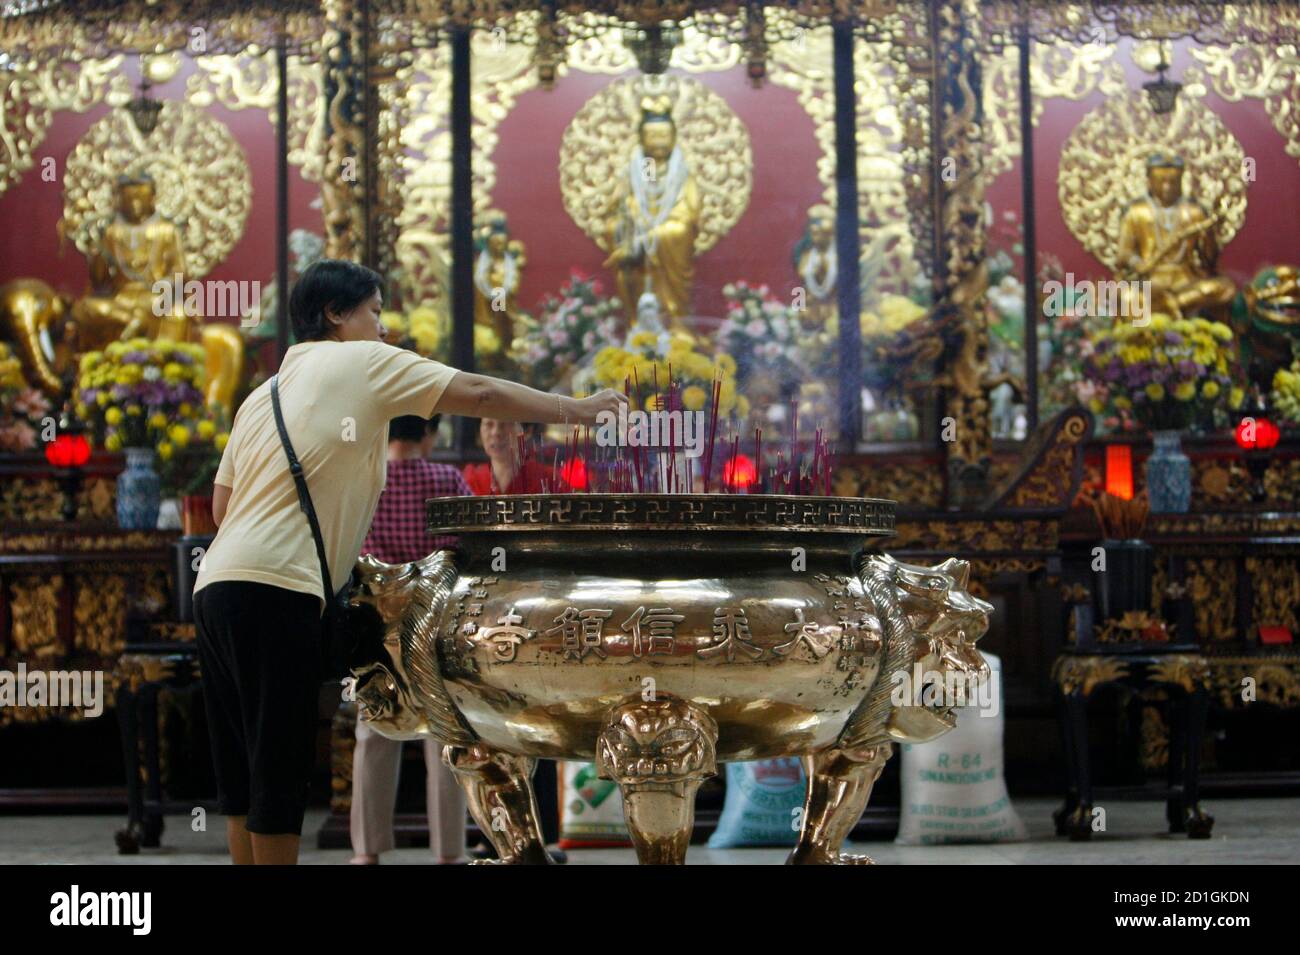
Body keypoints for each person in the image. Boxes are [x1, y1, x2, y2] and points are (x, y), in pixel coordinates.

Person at [192, 259, 626, 865]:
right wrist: (576, 411)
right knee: (281, 763)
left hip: (215, 588)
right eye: (374, 311)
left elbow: (221, 507)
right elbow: (477, 392)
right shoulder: (360, 361)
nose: (383, 327)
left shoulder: (260, 393)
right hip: (278, 590)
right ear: (335, 315)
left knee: (242, 766)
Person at [350, 414, 471, 865]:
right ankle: (449, 853)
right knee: (443, 733)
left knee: (375, 730)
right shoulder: (446, 478)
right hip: (435, 622)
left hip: (376, 625)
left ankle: (366, 851)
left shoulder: (365, 479)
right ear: (428, 433)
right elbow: (469, 543)